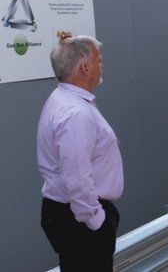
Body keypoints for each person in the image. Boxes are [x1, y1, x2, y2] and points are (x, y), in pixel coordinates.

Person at [37, 33, 123, 271]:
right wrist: (97, 222)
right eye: (99, 60)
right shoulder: (75, 114)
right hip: (80, 220)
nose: (102, 65)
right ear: (86, 67)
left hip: (72, 215)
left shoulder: (63, 99)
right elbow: (77, 177)